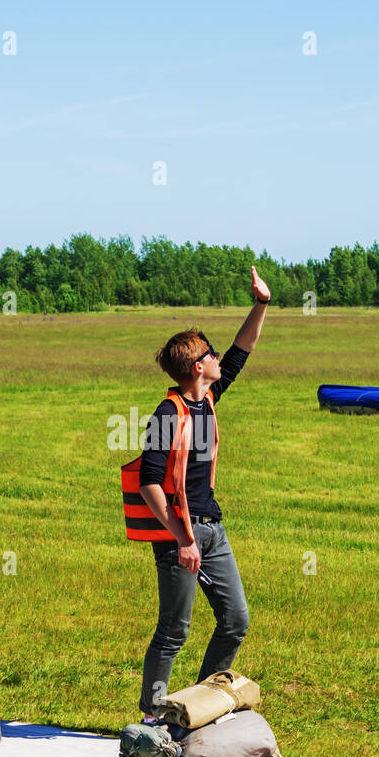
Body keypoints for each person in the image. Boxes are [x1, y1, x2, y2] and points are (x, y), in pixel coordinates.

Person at [137, 266, 271, 722]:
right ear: (198, 367)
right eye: (211, 355)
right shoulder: (167, 412)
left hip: (212, 529)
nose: (219, 359)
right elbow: (148, 482)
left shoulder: (207, 397)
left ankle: (202, 706)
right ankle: (154, 717)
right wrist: (182, 538)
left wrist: (261, 304)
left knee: (235, 622)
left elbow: (242, 350)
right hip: (182, 536)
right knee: (173, 630)